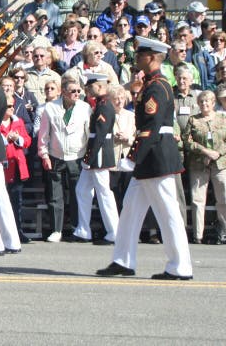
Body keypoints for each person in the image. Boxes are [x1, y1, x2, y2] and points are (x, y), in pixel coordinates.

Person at [96, 36, 193, 281]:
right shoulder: (152, 85)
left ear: (151, 58)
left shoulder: (157, 87)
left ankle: (180, 266)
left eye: (140, 55)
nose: (137, 58)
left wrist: (133, 155)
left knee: (168, 213)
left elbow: (150, 127)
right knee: (130, 209)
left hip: (156, 157)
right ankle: (123, 260)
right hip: (150, 159)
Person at [37, 76, 91, 242]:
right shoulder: (50, 108)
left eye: (78, 91)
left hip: (77, 156)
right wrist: (44, 154)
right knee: (55, 195)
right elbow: (44, 134)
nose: (76, 94)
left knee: (77, 193)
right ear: (63, 92)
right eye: (73, 91)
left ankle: (77, 226)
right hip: (56, 155)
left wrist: (89, 156)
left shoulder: (85, 107)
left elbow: (88, 132)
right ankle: (56, 229)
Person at [72, 73, 120, 244]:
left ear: (99, 87)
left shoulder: (104, 106)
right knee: (82, 190)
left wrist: (88, 158)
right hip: (95, 155)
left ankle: (114, 231)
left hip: (98, 156)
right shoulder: (101, 104)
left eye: (90, 86)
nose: (87, 90)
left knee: (104, 193)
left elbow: (99, 135)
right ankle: (83, 229)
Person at [181, 90, 226, 244]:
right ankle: (197, 235)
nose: (204, 104)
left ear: (213, 103)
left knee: (223, 198)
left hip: (220, 163)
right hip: (198, 163)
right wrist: (205, 152)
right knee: (197, 199)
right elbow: (186, 141)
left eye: (207, 101)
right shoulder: (193, 120)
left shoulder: (222, 118)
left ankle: (224, 231)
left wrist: (216, 153)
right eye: (201, 102)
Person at [0, 94, 32, 244]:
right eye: (8, 106)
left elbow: (27, 141)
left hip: (17, 166)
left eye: (13, 106)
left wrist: (17, 139)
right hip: (2, 167)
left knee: (16, 202)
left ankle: (18, 231)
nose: (12, 109)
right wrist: (6, 140)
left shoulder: (18, 122)